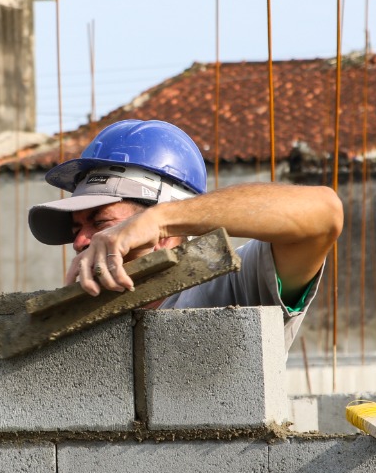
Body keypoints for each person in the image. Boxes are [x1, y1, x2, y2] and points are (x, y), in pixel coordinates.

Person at [28, 119, 343, 348]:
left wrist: (162, 219)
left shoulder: (235, 284)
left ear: (164, 233)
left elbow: (325, 214)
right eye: (77, 229)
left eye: (101, 223)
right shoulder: (82, 322)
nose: (82, 241)